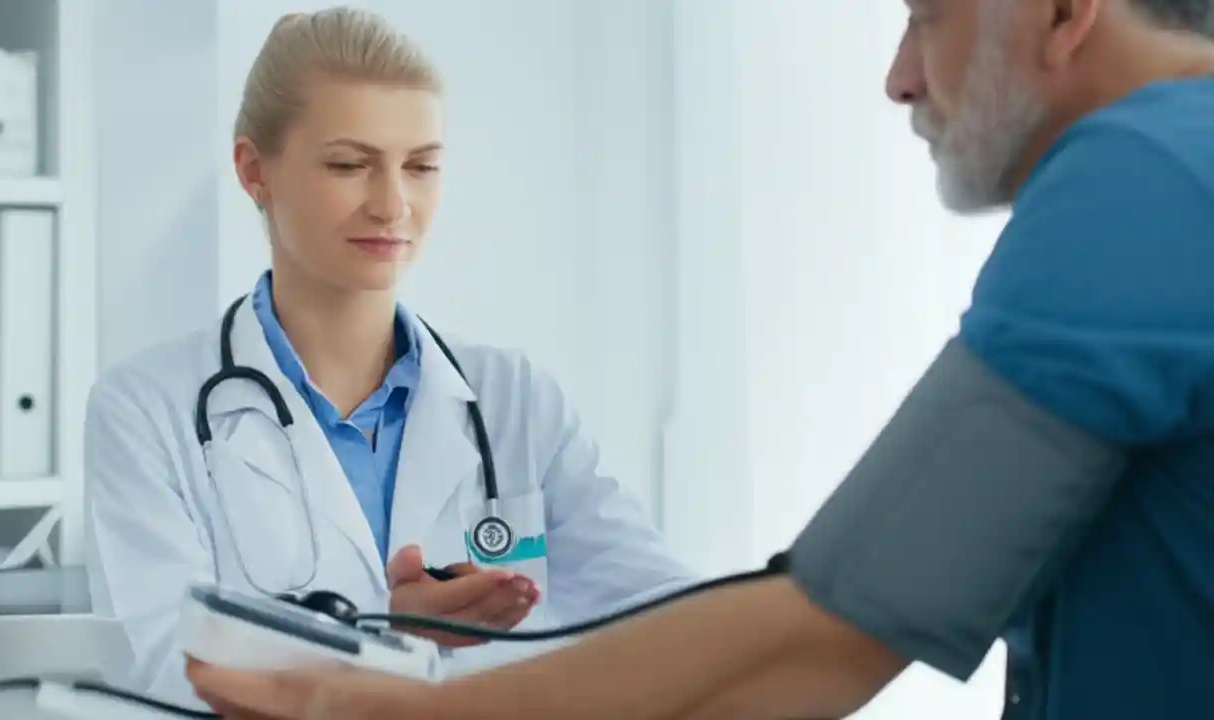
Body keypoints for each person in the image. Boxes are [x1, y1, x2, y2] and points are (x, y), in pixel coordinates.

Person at [186, 0, 1214, 718]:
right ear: (255, 174)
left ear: (1063, 7)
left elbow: (821, 637)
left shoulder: (1142, 179)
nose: (898, 77)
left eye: (924, 13)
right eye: (346, 163)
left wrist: (390, 706)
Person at [82, 7, 693, 709]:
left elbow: (671, 618)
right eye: (350, 165)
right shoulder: (145, 409)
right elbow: (175, 673)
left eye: (422, 166)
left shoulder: (515, 399)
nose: (393, 204)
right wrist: (390, 640)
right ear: (255, 171)